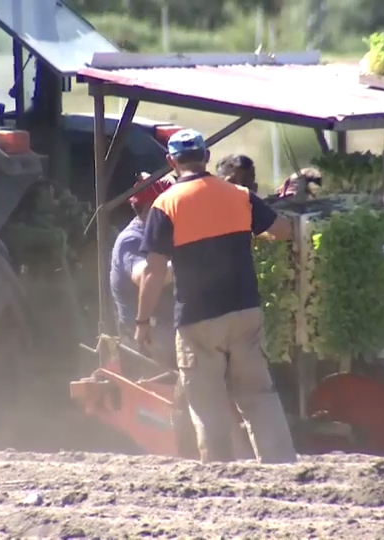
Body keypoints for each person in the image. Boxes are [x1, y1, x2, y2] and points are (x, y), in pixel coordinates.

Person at [134, 129, 297, 464]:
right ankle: (281, 466)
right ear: (206, 157)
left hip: (198, 320)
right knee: (259, 396)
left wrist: (141, 321)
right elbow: (282, 231)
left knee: (206, 403)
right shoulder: (238, 195)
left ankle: (220, 471)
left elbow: (152, 271)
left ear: (171, 162)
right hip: (244, 311)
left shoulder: (166, 204)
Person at [110, 174, 177, 366]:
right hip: (145, 340)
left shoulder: (163, 236)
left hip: (165, 330)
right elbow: (144, 276)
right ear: (152, 208)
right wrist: (191, 260)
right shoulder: (132, 240)